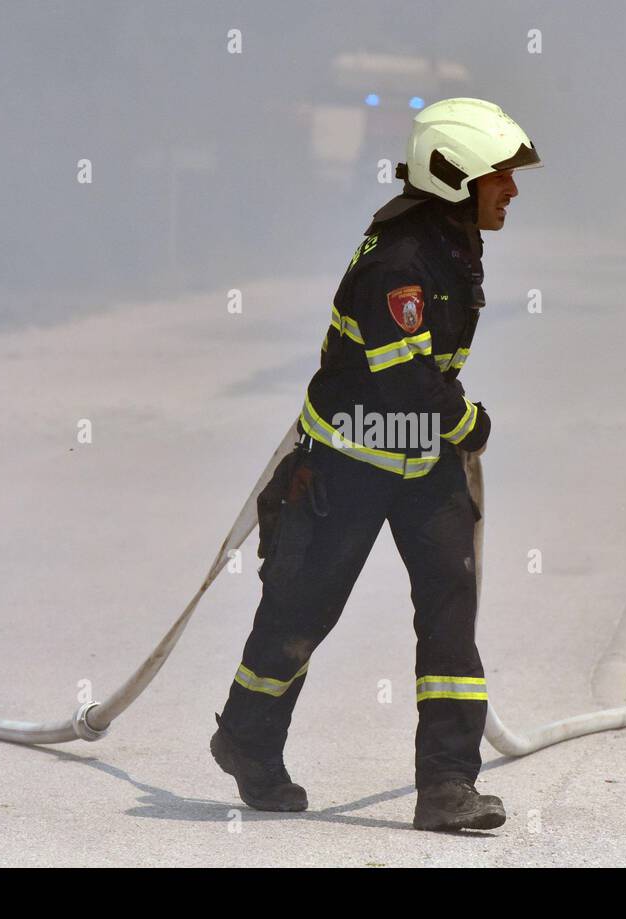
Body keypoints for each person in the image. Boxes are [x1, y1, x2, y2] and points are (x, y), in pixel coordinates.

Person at [211, 98, 541, 831]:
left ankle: (448, 784)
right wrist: (469, 423)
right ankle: (248, 740)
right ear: (456, 178)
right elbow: (408, 383)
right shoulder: (400, 261)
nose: (512, 191)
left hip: (423, 467)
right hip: (347, 466)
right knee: (301, 612)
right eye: (500, 178)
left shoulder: (451, 245)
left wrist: (448, 430)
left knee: (451, 613)